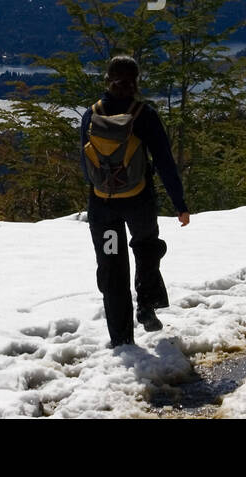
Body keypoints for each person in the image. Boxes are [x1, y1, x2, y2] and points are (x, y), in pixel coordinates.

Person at [80, 54, 189, 348]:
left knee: (112, 267)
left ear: (107, 80)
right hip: (138, 201)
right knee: (146, 248)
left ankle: (121, 340)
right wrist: (180, 204)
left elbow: (85, 165)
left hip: (103, 206)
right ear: (136, 82)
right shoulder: (144, 115)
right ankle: (146, 304)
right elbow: (165, 162)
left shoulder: (92, 115)